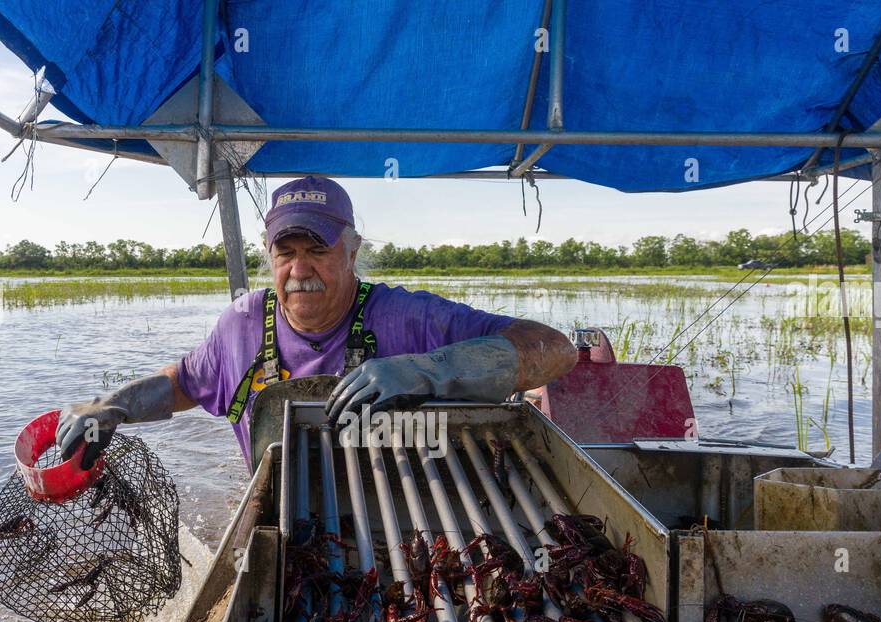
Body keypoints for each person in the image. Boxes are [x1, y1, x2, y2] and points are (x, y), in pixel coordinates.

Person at [57, 176, 576, 469]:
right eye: (286, 252)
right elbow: (184, 385)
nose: (300, 270)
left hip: (402, 521)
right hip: (282, 525)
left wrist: (427, 369)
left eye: (318, 251)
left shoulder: (405, 316)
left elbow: (554, 349)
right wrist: (115, 405)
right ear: (269, 256)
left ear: (351, 253)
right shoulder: (240, 324)